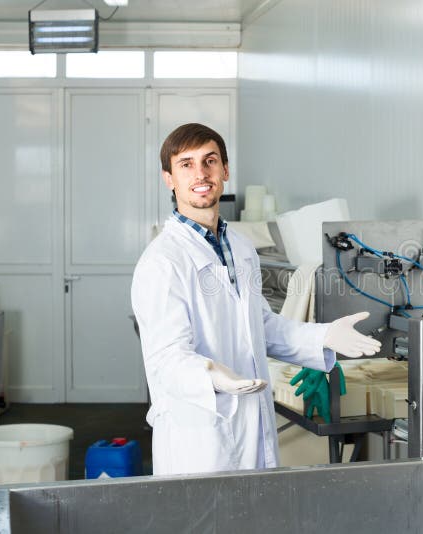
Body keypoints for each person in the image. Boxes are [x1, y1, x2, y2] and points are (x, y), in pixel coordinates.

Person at [131, 123, 381, 475]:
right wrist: (210, 374)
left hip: (253, 425)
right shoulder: (162, 262)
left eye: (210, 161)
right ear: (169, 179)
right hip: (200, 438)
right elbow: (165, 357)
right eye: (186, 164)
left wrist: (322, 336)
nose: (200, 174)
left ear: (225, 170)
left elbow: (260, 326)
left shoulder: (240, 248)